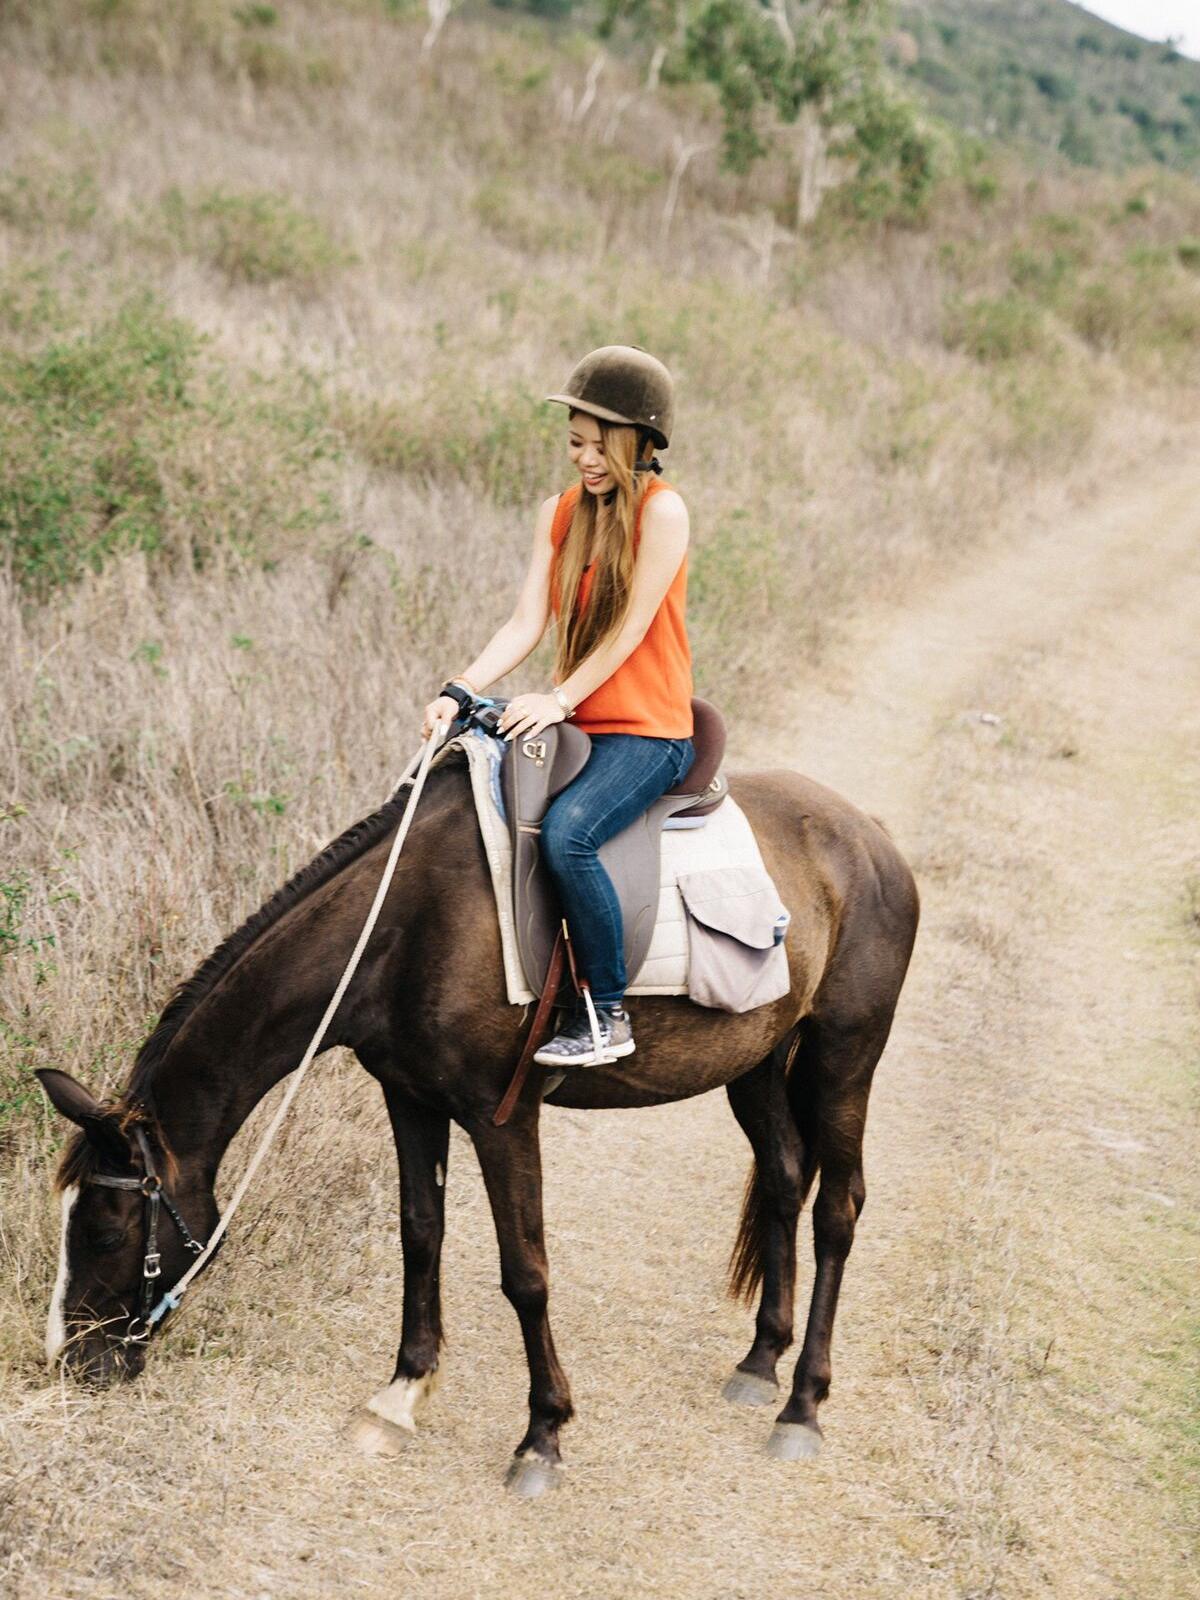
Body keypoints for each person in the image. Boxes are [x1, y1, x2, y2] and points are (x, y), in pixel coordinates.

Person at [422, 344, 695, 1066]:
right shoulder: (561, 512)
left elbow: (632, 631)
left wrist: (558, 696)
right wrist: (459, 691)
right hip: (575, 719)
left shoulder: (664, 515)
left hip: (648, 731)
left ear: (638, 440)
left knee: (569, 832)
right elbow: (525, 623)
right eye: (574, 443)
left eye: (597, 444)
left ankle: (606, 1014)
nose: (583, 458)